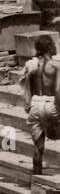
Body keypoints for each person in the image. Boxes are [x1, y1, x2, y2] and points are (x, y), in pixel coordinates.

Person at [23, 35, 60, 175]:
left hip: (35, 104)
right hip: (51, 103)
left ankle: (37, 179)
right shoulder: (57, 66)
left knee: (38, 147)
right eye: (54, 45)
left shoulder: (31, 66)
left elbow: (28, 89)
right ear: (50, 47)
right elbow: (57, 90)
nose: (56, 47)